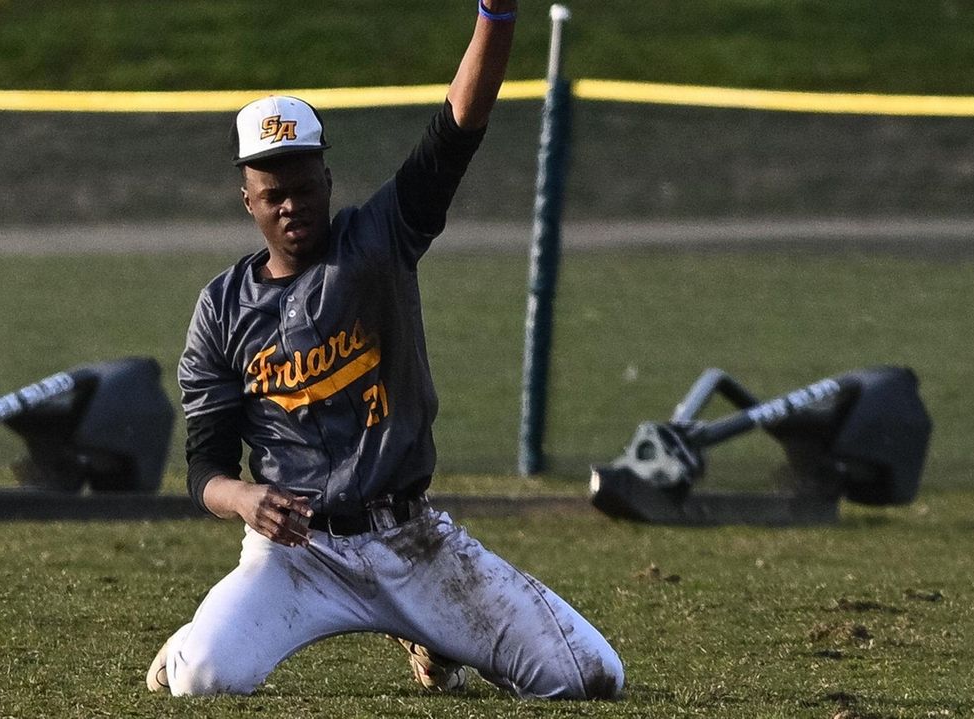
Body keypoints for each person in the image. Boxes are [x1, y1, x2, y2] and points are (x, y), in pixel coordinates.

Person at [149, 0, 623, 700]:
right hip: (295, 553)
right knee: (202, 679)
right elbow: (205, 466)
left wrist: (496, 15)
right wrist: (243, 496)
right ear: (246, 197)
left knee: (589, 678)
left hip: (410, 539)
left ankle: (433, 631)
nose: (291, 205)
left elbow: (457, 127)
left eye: (304, 187)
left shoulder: (378, 241)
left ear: (327, 182)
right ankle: (194, 636)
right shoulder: (223, 307)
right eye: (273, 192)